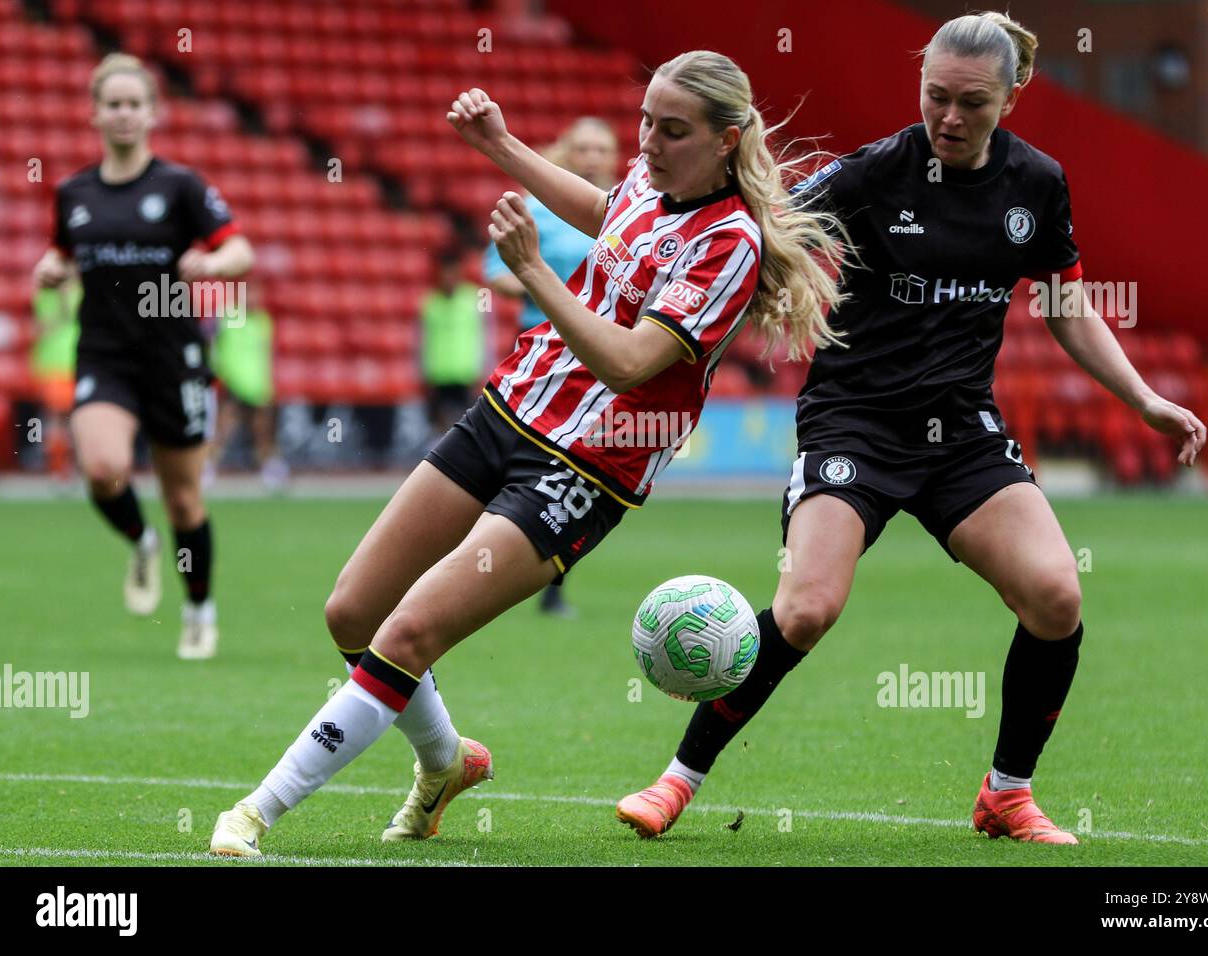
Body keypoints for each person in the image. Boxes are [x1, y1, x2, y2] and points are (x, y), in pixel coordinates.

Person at [208, 50, 846, 856]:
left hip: (582, 469)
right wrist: (501, 147)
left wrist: (535, 272)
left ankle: (256, 812)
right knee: (352, 612)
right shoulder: (652, 184)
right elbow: (608, 213)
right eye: (645, 118)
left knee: (406, 635)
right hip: (508, 412)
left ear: (726, 141)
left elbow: (627, 360)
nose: (647, 140)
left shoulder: (730, 244)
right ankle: (446, 762)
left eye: (672, 129)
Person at [616, 12, 1208, 845]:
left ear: (1013, 95)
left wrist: (1143, 399)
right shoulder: (870, 175)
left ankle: (1007, 793)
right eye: (935, 97)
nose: (950, 118)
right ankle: (676, 781)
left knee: (1055, 596)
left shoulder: (1037, 183)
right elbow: (751, 237)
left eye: (972, 102)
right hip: (854, 425)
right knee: (808, 608)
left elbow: (1067, 306)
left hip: (963, 432)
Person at [32, 53, 254, 659]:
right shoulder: (73, 193)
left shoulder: (180, 187)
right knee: (103, 470)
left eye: (135, 103)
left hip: (172, 355)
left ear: (153, 113)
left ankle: (199, 609)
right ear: (95, 114)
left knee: (182, 497)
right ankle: (140, 542)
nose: (124, 113)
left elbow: (241, 253)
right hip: (103, 355)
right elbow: (60, 254)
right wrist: (51, 268)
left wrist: (212, 264)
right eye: (113, 104)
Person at [483, 116, 621, 616]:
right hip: (541, 355)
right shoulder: (539, 207)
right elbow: (496, 271)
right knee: (521, 461)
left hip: (598, 361)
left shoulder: (625, 213)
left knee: (577, 471)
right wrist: (549, 286)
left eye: (599, 148)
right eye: (581, 147)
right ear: (567, 150)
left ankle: (551, 583)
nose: (589, 156)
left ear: (613, 156)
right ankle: (493, 559)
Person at [208, 279, 287, 491]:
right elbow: (213, 347)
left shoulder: (263, 321)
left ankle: (271, 472)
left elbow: (265, 358)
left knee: (263, 432)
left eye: (256, 294)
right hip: (232, 384)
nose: (252, 299)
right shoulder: (227, 317)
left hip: (258, 388)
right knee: (222, 430)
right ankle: (206, 469)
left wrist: (267, 386)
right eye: (249, 294)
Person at [419, 252, 485, 447]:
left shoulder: (473, 299)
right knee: (439, 422)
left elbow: (484, 336)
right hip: (438, 372)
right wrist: (423, 370)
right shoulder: (430, 303)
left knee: (466, 421)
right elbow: (421, 340)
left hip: (465, 372)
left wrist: (482, 367)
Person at [29, 277, 82, 479]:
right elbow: (40, 326)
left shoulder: (77, 291)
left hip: (72, 362)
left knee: (69, 419)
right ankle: (61, 467)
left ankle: (68, 467)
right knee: (60, 419)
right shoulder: (45, 294)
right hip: (57, 364)